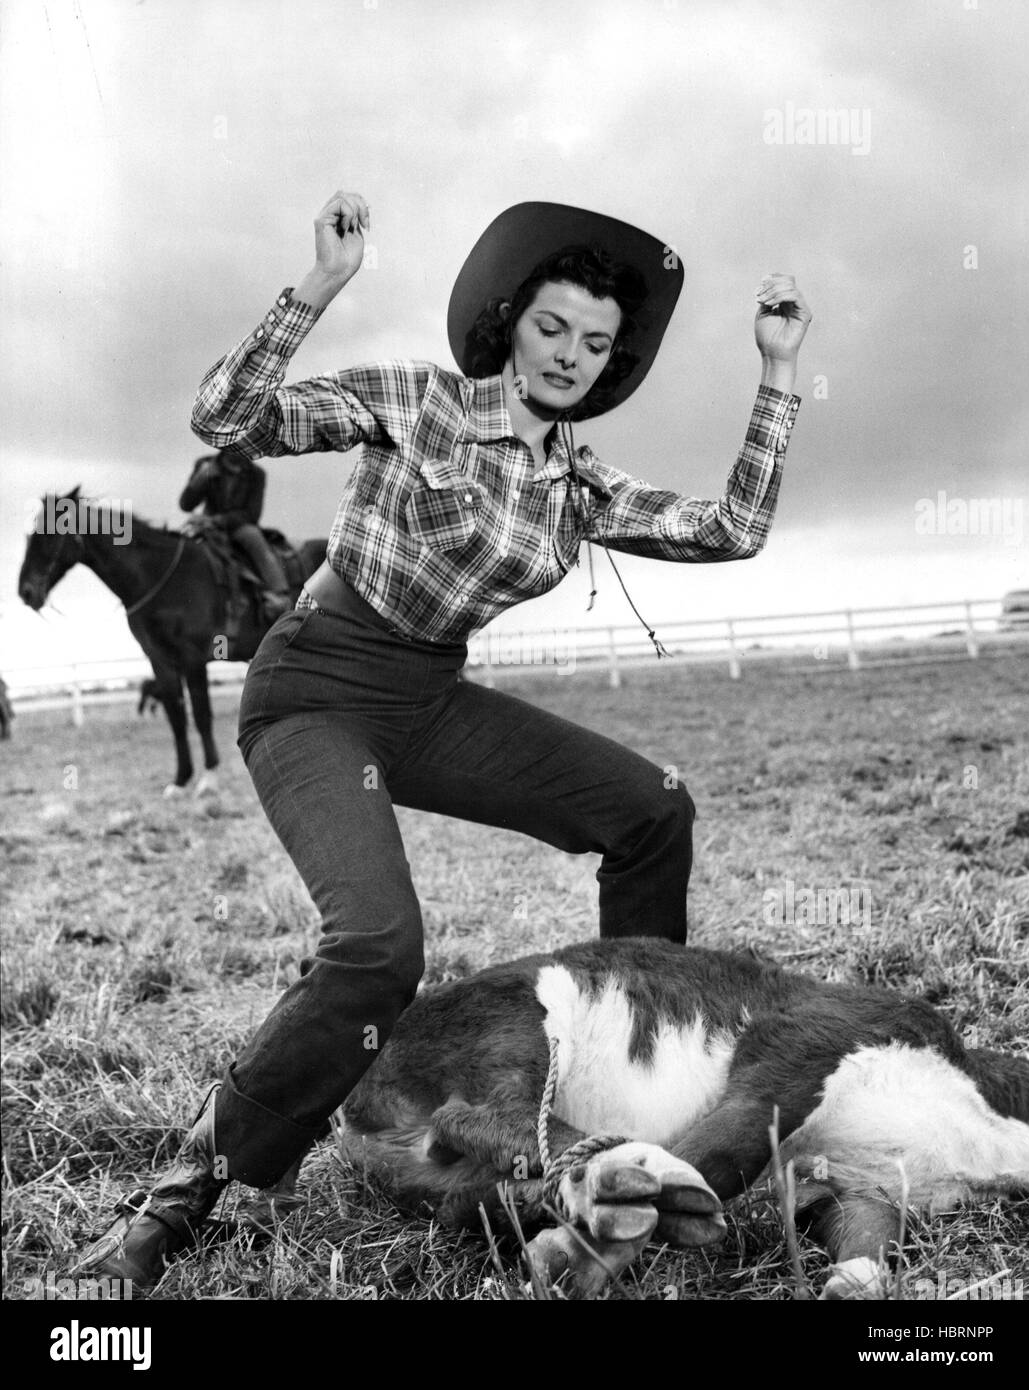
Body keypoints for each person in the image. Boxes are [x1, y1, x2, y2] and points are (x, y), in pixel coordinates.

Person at [76, 192, 811, 1289]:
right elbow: (226, 420)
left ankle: (636, 1082)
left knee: (650, 809)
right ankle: (189, 1185)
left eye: (596, 342)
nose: (569, 355)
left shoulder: (577, 481)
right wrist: (317, 285)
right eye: (552, 326)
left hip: (428, 697)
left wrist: (776, 371)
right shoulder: (415, 401)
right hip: (317, 683)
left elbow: (730, 529)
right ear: (511, 320)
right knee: (377, 948)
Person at [179, 447, 291, 617]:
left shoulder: (256, 474)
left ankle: (279, 594)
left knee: (254, 538)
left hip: (238, 527)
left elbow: (252, 514)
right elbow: (186, 505)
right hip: (206, 527)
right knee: (182, 542)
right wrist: (198, 482)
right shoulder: (205, 465)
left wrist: (217, 520)